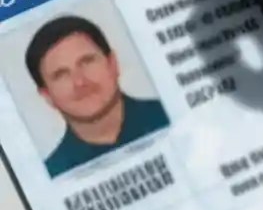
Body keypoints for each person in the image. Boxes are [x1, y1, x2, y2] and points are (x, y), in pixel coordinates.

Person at [25, 16, 169, 178]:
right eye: (61, 75)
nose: (80, 82)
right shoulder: (55, 176)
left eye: (87, 62)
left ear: (113, 64)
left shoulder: (176, 113)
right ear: (47, 96)